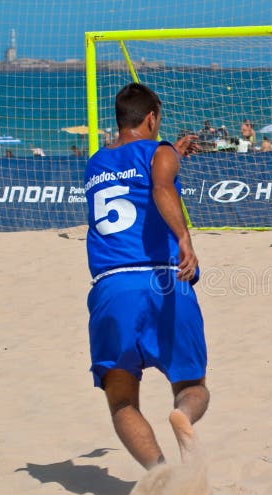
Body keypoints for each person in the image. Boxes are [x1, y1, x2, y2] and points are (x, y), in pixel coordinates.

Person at [84, 82, 209, 472]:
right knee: (191, 388)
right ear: (152, 118)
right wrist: (184, 237)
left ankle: (160, 474)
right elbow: (159, 186)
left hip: (111, 287)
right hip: (163, 280)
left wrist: (171, 153)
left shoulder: (94, 163)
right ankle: (183, 417)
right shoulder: (160, 152)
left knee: (122, 402)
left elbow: (139, 175)